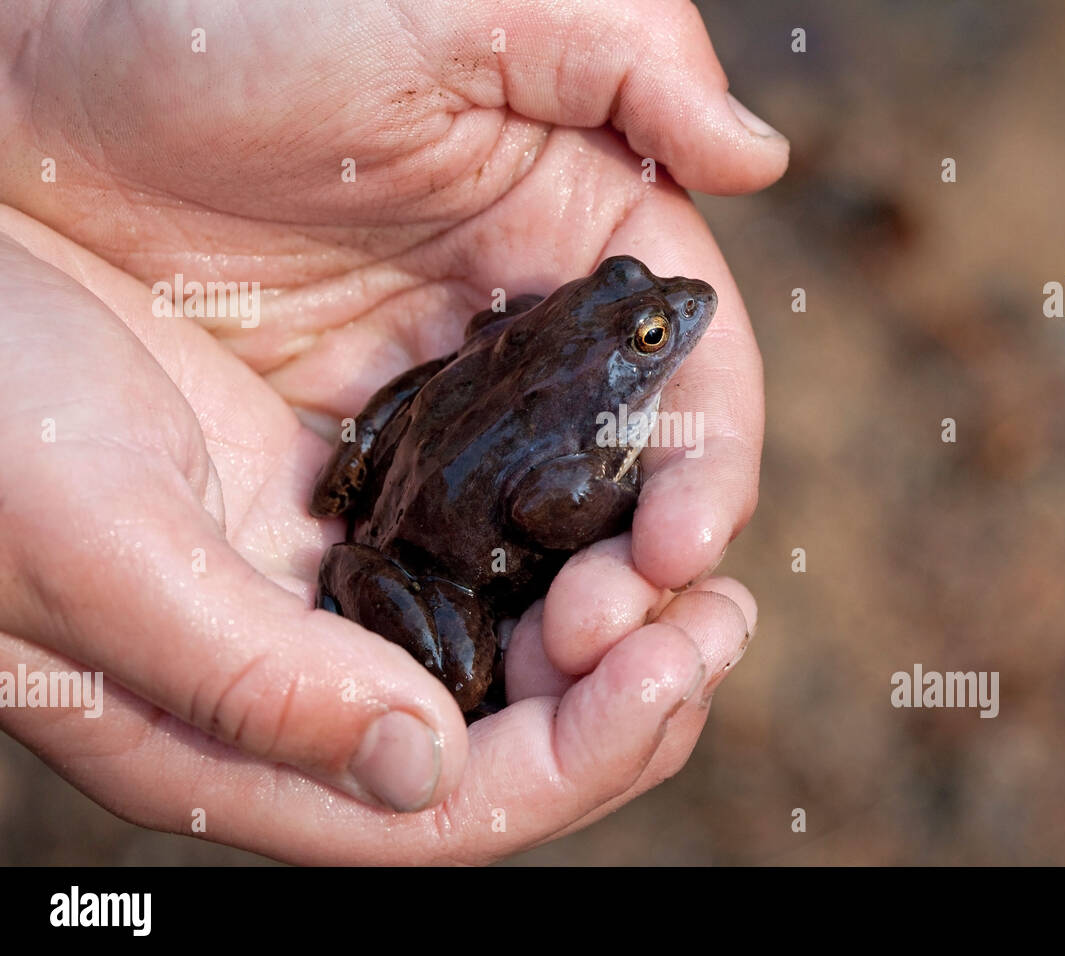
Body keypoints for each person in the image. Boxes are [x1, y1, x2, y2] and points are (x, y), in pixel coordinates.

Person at [0, 0, 786, 863]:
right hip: (430, 566)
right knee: (472, 678)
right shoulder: (580, 416)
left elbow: (494, 342)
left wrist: (35, 38)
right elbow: (541, 503)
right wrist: (623, 494)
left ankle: (350, 499)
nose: (671, 308)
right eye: (643, 323)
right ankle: (364, 579)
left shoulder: (537, 329)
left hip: (413, 463)